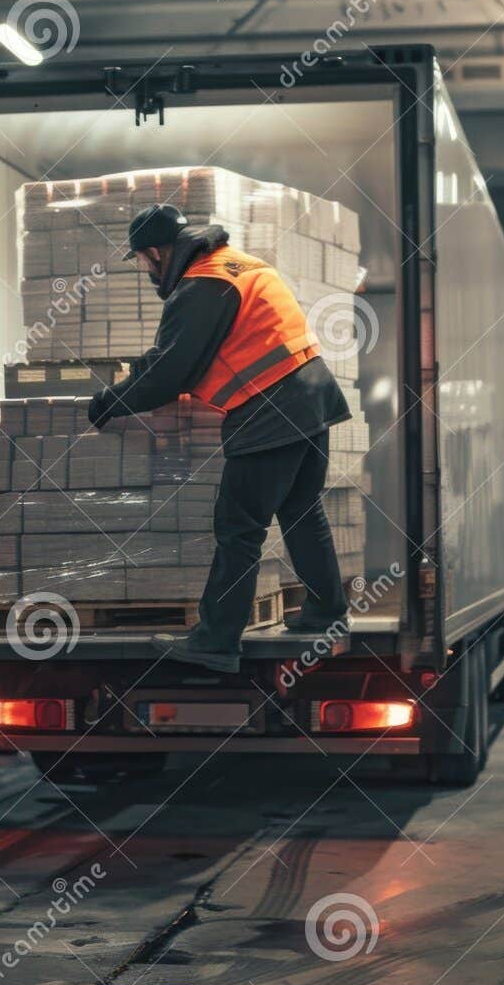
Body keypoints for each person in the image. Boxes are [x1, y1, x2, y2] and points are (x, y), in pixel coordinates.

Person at [89, 204, 352, 673]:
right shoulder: (238, 265)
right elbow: (177, 351)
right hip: (311, 399)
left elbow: (173, 371)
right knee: (300, 511)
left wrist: (111, 402)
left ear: (156, 253)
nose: (149, 272)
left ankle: (215, 640)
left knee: (238, 528)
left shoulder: (200, 286)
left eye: (146, 263)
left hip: (272, 411)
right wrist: (136, 375)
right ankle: (327, 613)